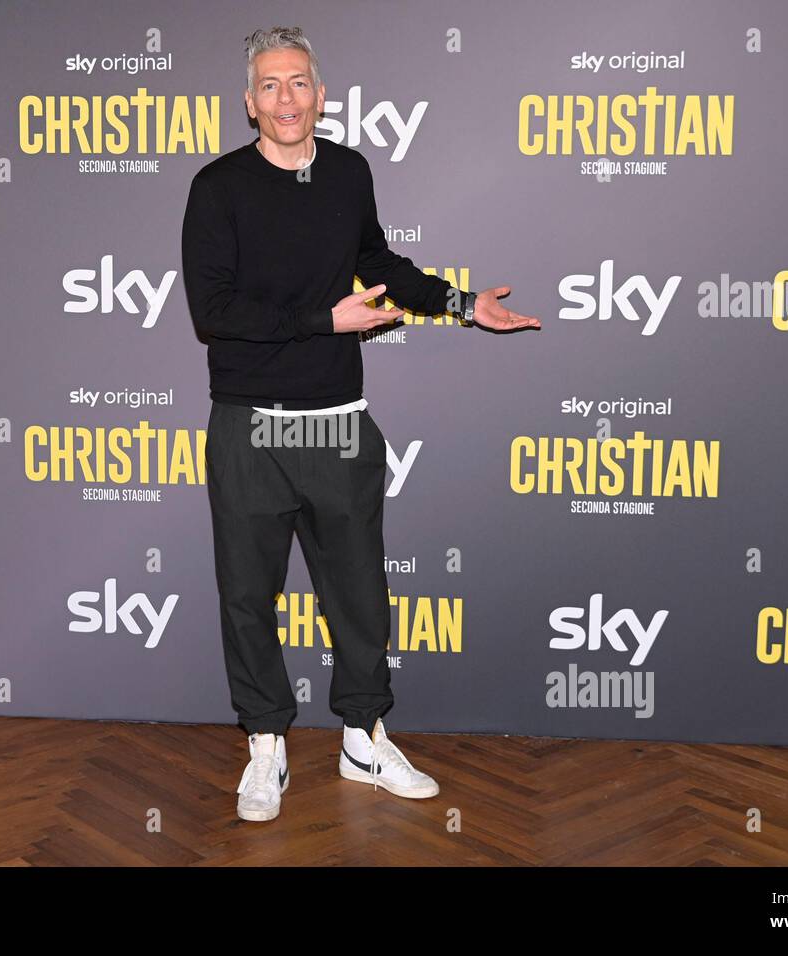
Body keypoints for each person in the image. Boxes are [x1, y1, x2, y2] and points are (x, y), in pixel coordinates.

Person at [180, 26, 540, 822]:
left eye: (299, 82)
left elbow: (382, 267)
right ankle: (266, 745)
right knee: (248, 595)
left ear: (320, 94)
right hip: (249, 426)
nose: (286, 98)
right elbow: (214, 313)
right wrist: (322, 321)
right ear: (249, 103)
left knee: (359, 596)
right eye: (270, 85)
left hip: (337, 424)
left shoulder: (348, 173)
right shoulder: (217, 189)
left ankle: (363, 735)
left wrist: (460, 305)